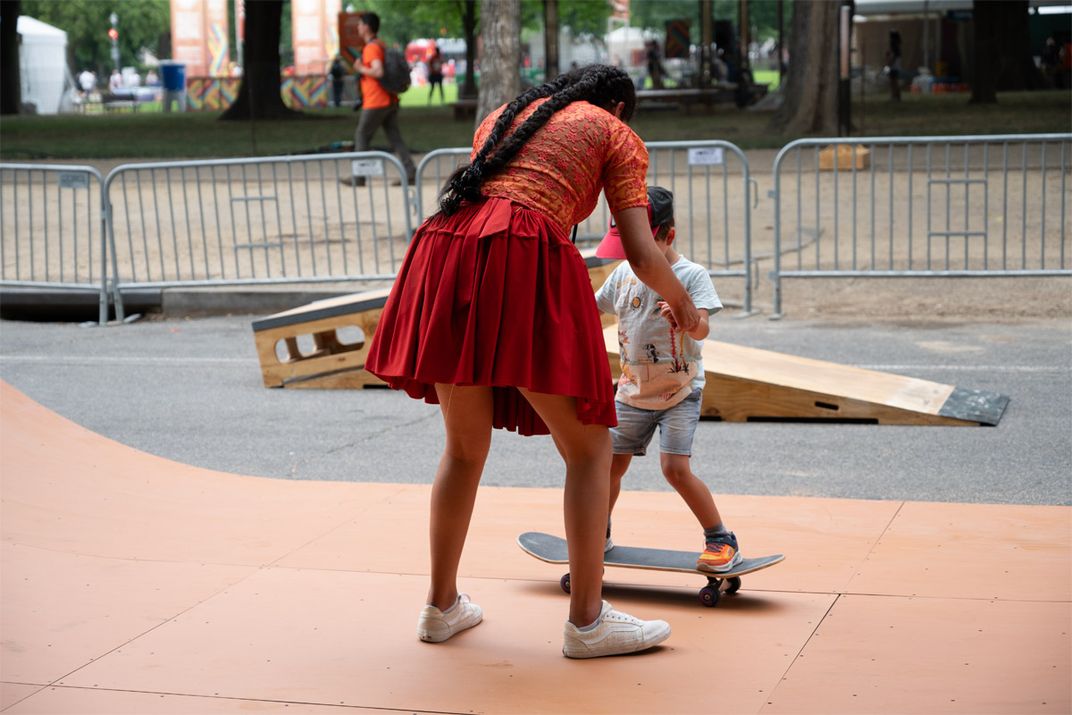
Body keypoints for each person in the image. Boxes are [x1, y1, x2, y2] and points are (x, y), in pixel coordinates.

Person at [365, 64, 701, 658]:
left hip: (447, 250)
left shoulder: (503, 116)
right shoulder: (614, 132)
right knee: (591, 448)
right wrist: (686, 308)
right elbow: (643, 253)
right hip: (522, 258)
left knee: (463, 450)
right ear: (620, 108)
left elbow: (495, 199)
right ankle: (588, 623)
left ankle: (440, 607)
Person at [594, 186, 743, 574]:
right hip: (631, 392)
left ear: (668, 236)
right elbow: (591, 311)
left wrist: (685, 317)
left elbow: (702, 329)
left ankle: (721, 539)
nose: (632, 256)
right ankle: (597, 532)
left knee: (674, 469)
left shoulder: (691, 275)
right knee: (609, 466)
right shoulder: (623, 272)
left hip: (679, 391)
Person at [344, 12, 416, 186]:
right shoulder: (380, 44)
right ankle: (410, 172)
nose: (358, 27)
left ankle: (359, 177)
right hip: (389, 100)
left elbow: (378, 71)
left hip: (376, 102)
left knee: (361, 135)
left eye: (360, 24)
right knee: (394, 137)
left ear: (367, 27)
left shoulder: (371, 48)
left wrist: (360, 68)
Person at [885, 30, 902, 102]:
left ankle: (895, 97)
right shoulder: (897, 45)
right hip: (895, 66)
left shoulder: (894, 45)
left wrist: (889, 63)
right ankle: (896, 96)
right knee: (894, 81)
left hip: (893, 66)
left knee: (893, 82)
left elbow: (893, 57)